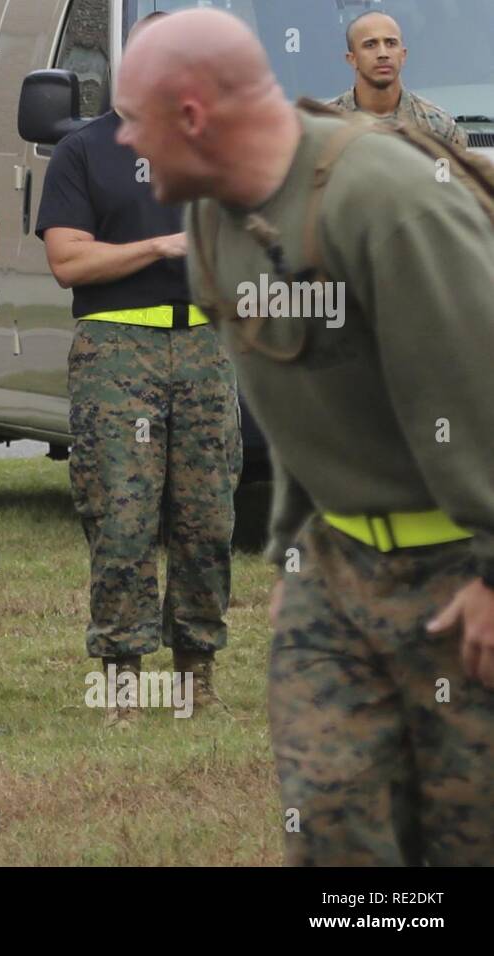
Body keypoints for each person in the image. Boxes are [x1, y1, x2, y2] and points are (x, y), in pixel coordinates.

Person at [116, 8, 494, 865]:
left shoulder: (387, 204)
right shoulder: (214, 218)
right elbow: (292, 391)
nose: (127, 143)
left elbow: (482, 392)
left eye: (136, 119)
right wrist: (292, 551)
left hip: (460, 578)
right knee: (333, 835)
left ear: (191, 116)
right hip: (339, 573)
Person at [36, 11, 241, 725]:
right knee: (122, 515)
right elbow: (67, 261)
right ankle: (121, 679)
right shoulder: (83, 151)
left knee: (207, 517)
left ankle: (196, 677)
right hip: (117, 348)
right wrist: (158, 250)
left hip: (206, 348)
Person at [329, 10, 466, 147]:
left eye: (391, 43)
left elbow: (446, 169)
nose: (383, 54)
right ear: (352, 59)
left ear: (403, 55)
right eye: (370, 45)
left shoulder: (439, 128)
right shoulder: (325, 125)